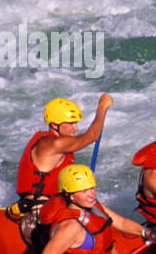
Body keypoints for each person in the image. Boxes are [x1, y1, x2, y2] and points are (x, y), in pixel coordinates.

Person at [10, 94, 112, 243]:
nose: (75, 128)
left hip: (52, 208)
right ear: (54, 124)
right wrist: (102, 107)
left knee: (103, 219)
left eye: (75, 123)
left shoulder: (55, 142)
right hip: (39, 216)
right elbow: (92, 136)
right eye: (70, 124)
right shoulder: (54, 144)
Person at [38, 164, 153, 254]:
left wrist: (146, 232)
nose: (91, 194)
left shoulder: (94, 207)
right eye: (84, 191)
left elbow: (120, 222)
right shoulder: (71, 226)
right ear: (70, 196)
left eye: (92, 188)